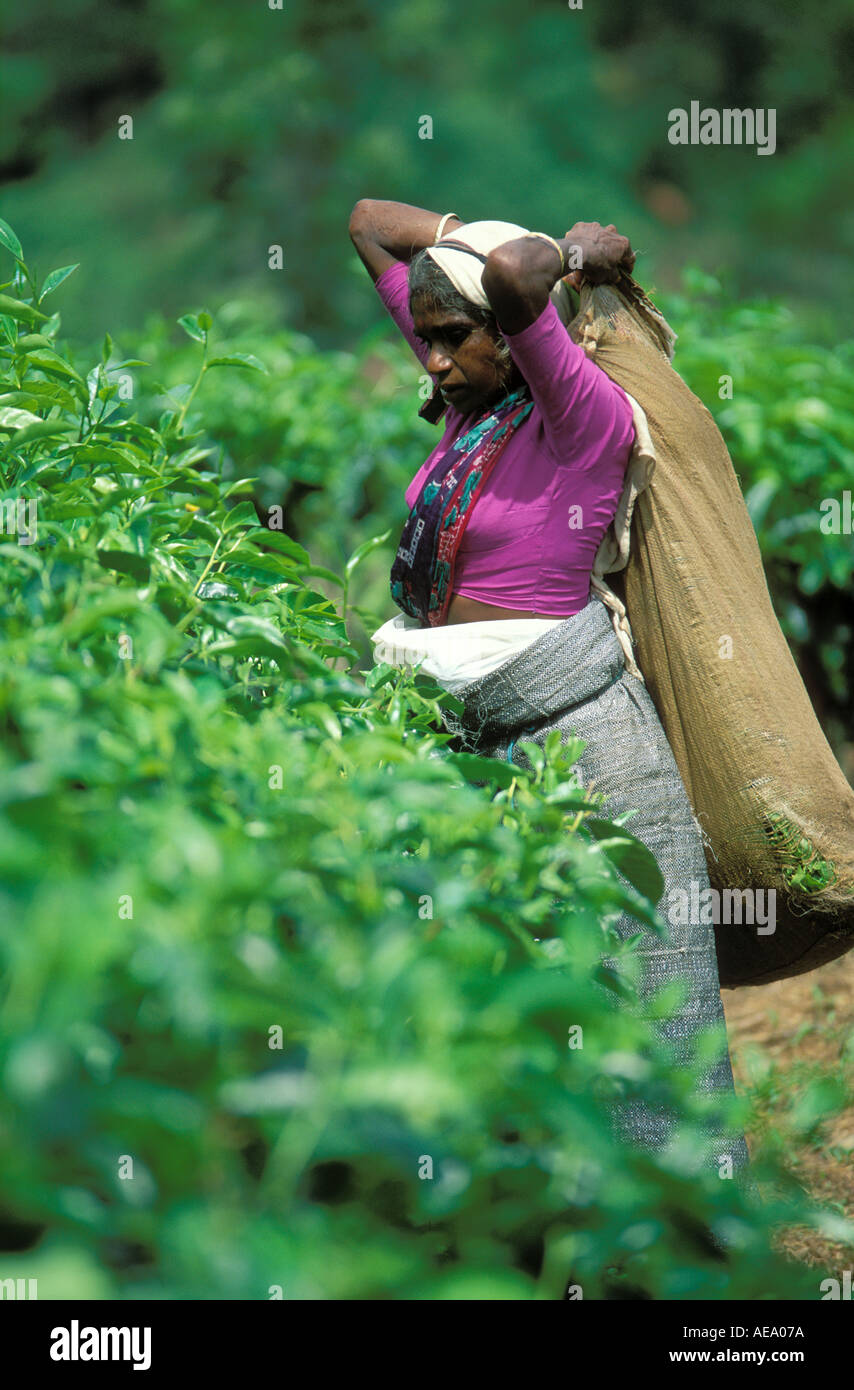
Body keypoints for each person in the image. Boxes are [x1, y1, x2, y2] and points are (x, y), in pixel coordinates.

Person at [349, 199, 751, 1183]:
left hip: (571, 738)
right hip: (458, 728)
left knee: (641, 994)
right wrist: (461, 241)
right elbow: (367, 221)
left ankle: (683, 1243)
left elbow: (526, 274)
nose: (429, 361)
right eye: (426, 338)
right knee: (498, 989)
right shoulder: (469, 399)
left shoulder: (576, 412)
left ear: (510, 334)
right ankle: (537, 1222)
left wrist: (573, 258)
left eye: (450, 339)